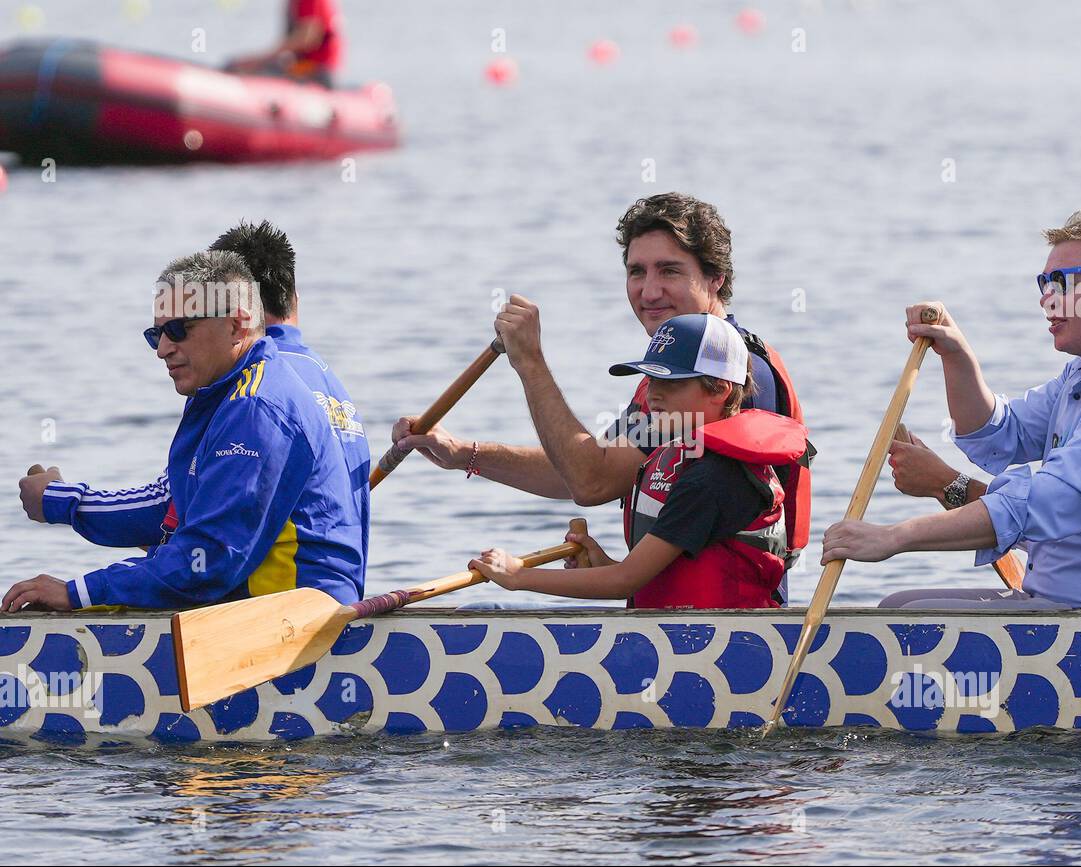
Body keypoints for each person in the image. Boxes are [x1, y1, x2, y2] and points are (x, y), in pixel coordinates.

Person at [393, 192, 809, 591]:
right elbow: (583, 465)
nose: (648, 292)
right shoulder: (675, 376)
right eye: (636, 272)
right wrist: (464, 453)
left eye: (669, 270)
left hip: (730, 632)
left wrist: (530, 364)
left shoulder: (728, 379)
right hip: (674, 618)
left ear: (715, 278)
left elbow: (591, 481)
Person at [822, 206, 1081, 611]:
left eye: (1061, 282)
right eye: (1043, 283)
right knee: (900, 603)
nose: (1046, 299)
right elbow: (1002, 435)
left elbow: (1042, 505)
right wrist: (956, 355)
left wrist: (894, 537)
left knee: (905, 618)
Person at [2, 251, 365, 612]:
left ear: (236, 326)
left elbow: (208, 561)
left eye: (178, 330)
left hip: (293, 622)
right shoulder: (223, 392)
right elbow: (183, 525)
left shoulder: (256, 409)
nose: (162, 349)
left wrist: (77, 592)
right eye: (156, 334)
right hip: (256, 603)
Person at [469, 314, 809, 609]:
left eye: (671, 381)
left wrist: (517, 576)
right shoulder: (691, 462)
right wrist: (602, 564)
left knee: (485, 609)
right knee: (484, 608)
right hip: (680, 635)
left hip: (718, 647)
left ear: (719, 389)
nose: (652, 393)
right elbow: (641, 575)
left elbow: (625, 582)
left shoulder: (714, 477)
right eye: (652, 379)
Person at [209, 220, 369, 551]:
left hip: (276, 595)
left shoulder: (252, 385)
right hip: (335, 590)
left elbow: (194, 523)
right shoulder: (330, 381)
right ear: (294, 298)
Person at [227, 0, 345, 88]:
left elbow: (308, 37)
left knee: (237, 69)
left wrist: (259, 60)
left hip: (316, 73)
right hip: (308, 68)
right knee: (235, 65)